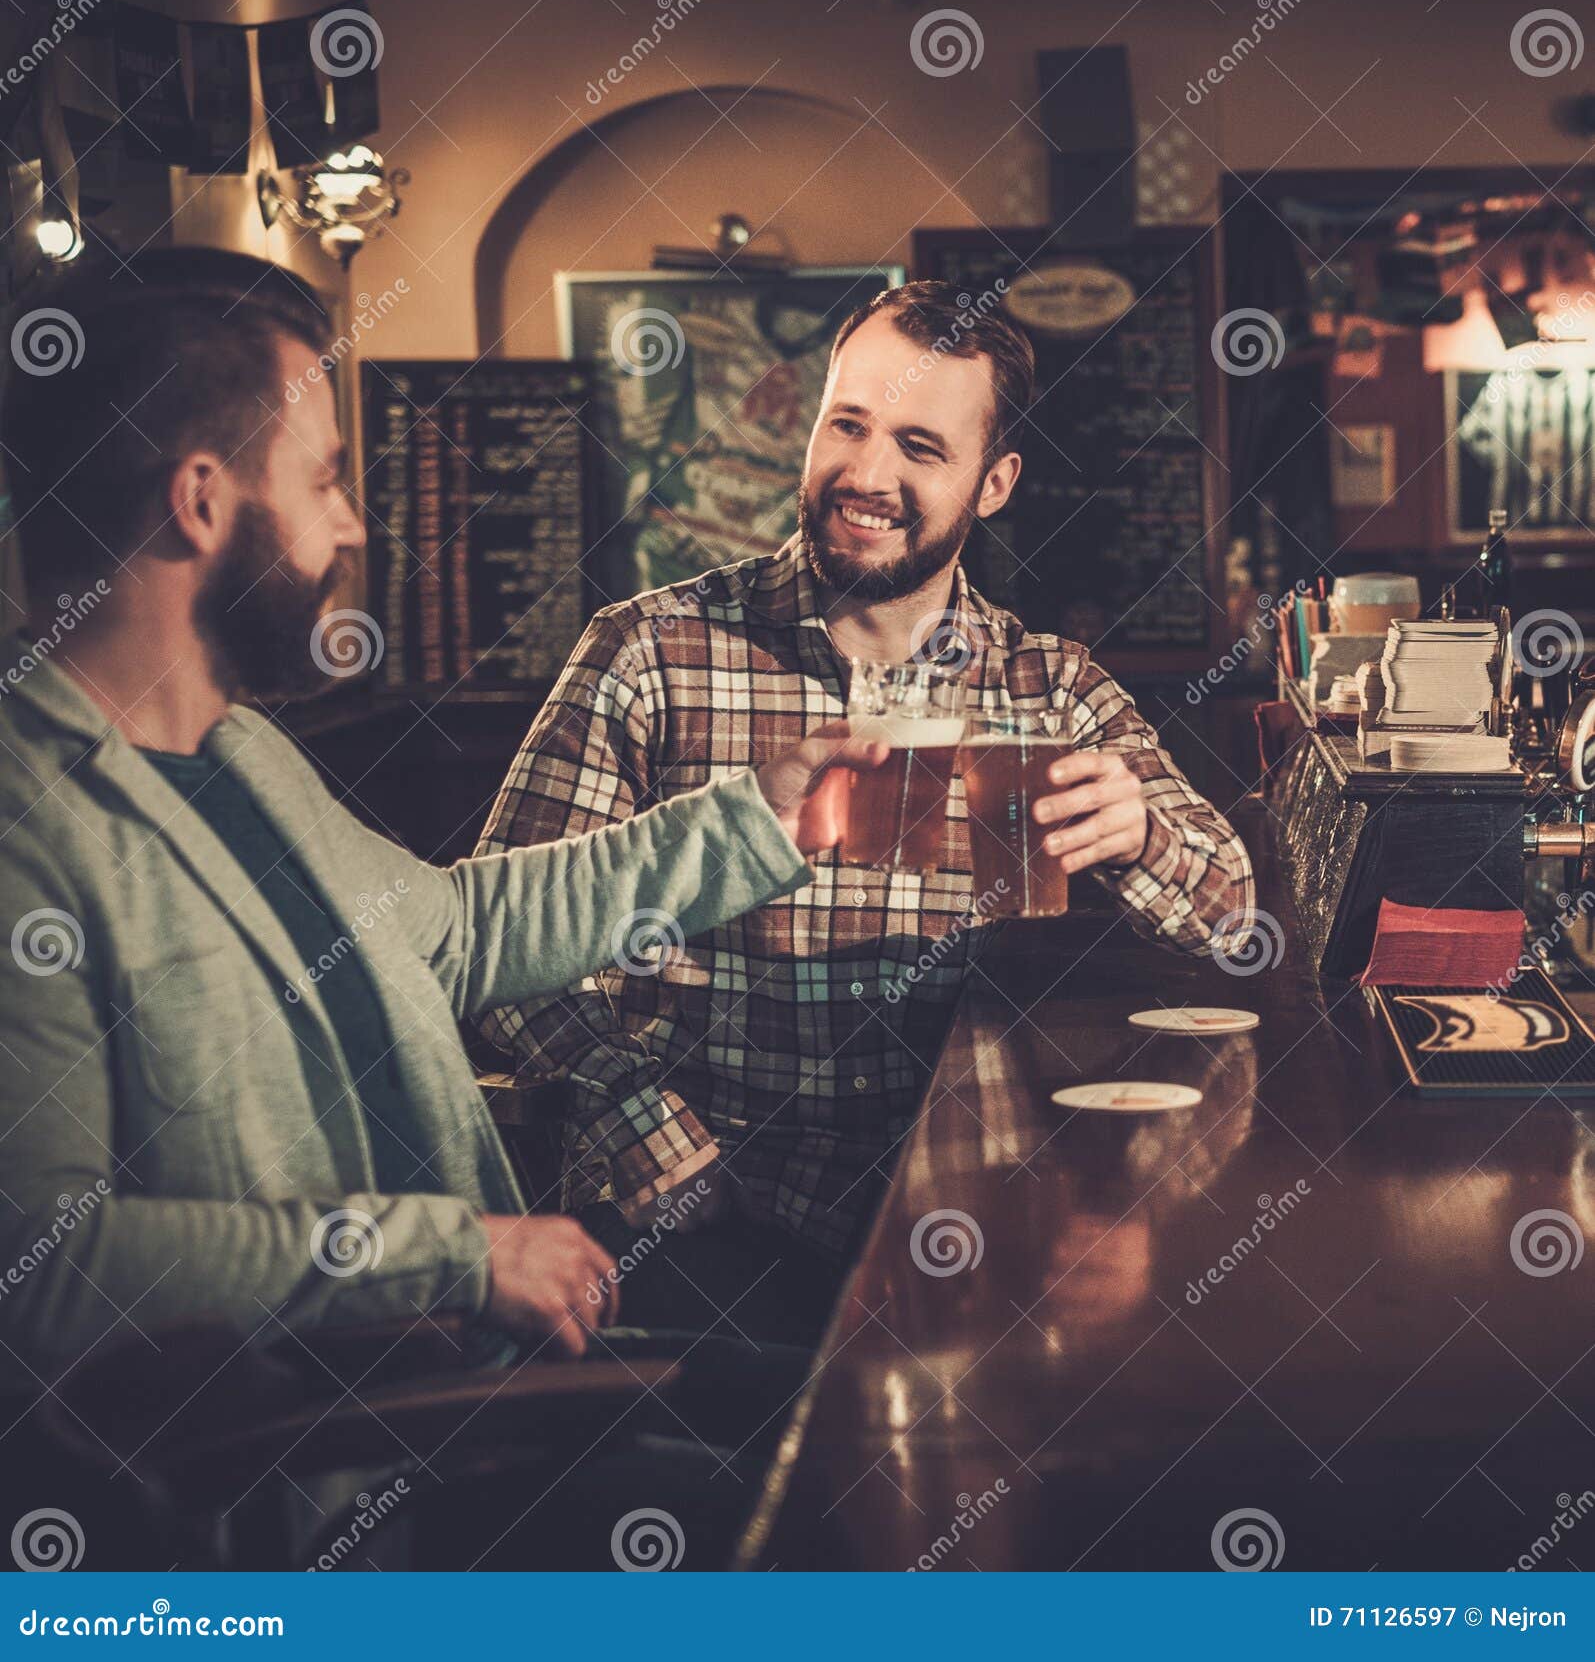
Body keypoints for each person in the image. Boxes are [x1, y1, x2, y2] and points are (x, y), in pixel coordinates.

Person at [0, 249, 890, 1566]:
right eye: (321, 480)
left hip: (471, 1402)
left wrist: (758, 811)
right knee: (859, 1539)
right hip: (327, 1502)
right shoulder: (28, 824)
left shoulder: (241, 753)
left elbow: (462, 927)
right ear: (200, 502)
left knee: (883, 1442)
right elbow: (50, 1269)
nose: (353, 524)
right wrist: (455, 1254)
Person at [474, 280, 1256, 1344]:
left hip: (963, 1211)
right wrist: (650, 1141)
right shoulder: (651, 651)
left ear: (992, 483)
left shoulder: (1048, 687)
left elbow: (1229, 916)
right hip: (704, 1215)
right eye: (847, 424)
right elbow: (500, 947)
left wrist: (1141, 834)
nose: (865, 474)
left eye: (919, 448)